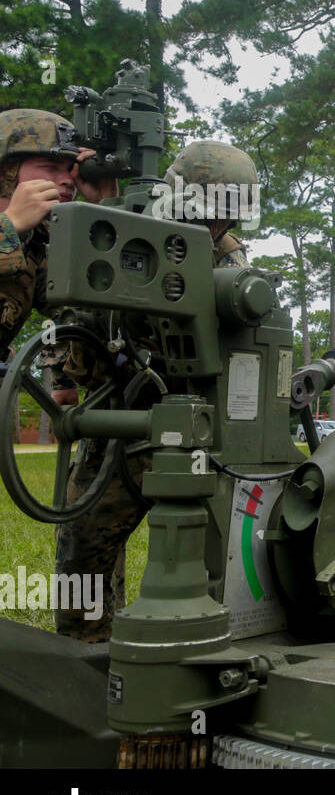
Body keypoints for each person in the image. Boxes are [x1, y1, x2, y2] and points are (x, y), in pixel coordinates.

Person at [53, 140, 257, 642]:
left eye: (224, 220)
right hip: (120, 421)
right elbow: (73, 324)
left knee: (224, 556)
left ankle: (212, 649)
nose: (214, 229)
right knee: (83, 550)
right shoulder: (122, 230)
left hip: (199, 428)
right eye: (207, 215)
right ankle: (86, 653)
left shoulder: (228, 254)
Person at [0, 108, 117, 374]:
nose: (67, 181)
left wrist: (108, 213)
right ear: (5, 171)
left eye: (72, 170)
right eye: (51, 168)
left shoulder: (36, 246)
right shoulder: (18, 233)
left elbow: (87, 318)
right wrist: (10, 224)